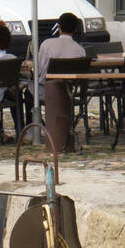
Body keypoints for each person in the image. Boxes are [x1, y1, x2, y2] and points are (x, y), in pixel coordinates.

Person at [39, 12, 87, 155]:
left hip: (49, 90)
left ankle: (33, 130)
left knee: (29, 94)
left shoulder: (47, 44)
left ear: (58, 27)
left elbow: (41, 74)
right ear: (75, 30)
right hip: (70, 92)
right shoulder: (80, 50)